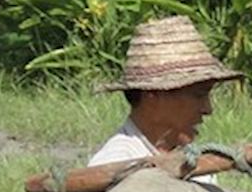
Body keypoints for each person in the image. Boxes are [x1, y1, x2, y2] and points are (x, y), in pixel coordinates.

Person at [89, 15, 241, 178]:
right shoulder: (113, 164)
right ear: (152, 96)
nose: (207, 109)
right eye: (198, 95)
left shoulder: (195, 160)